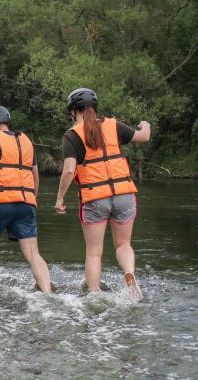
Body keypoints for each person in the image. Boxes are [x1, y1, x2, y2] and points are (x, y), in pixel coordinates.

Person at [54, 88, 151, 298]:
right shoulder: (113, 125)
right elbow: (144, 136)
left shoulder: (71, 136)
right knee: (123, 244)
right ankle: (129, 274)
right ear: (95, 108)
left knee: (94, 252)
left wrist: (60, 197)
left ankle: (94, 294)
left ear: (73, 111)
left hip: (95, 198)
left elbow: (70, 170)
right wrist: (145, 125)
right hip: (124, 195)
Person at [0, 106, 52, 293]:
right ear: (7, 123)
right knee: (33, 253)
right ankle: (47, 292)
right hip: (25, 204)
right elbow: (35, 176)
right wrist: (30, 199)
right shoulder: (26, 141)